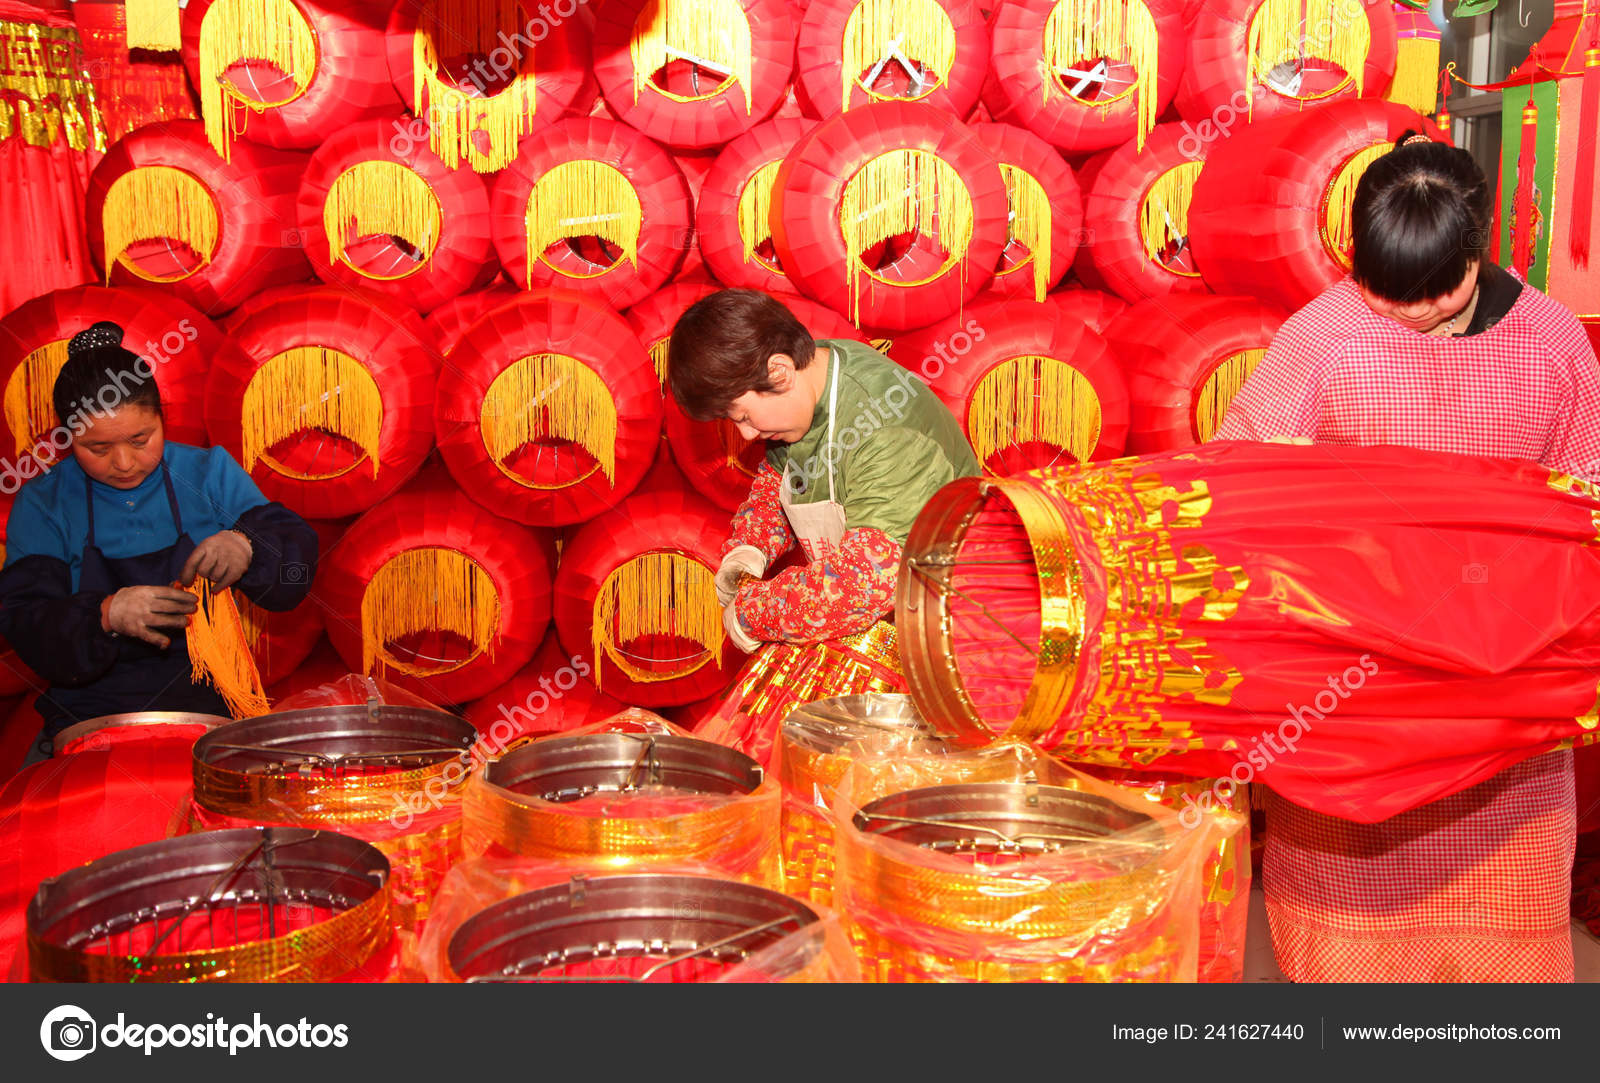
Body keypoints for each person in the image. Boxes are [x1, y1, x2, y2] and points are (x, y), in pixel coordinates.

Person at [1215, 132, 1600, 982]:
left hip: (1504, 680)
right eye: (1387, 293)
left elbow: (1589, 502)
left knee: (1506, 914)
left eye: (1437, 291)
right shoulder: (1322, 334)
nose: (1411, 312)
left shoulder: (1550, 339)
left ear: (1476, 252)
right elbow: (1239, 473)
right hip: (1359, 682)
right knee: (1351, 922)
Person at [667, 289, 980, 766]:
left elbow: (859, 586)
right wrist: (748, 549)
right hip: (867, 624)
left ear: (778, 371)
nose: (746, 434)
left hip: (939, 650)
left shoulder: (885, 427)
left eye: (744, 416)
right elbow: (780, 479)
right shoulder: (811, 383)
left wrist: (753, 612)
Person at [0, 322, 319, 754]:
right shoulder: (45, 502)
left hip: (213, 703)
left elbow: (296, 563)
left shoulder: (207, 473)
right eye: (97, 449)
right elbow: (25, 622)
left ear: (161, 419)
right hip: (91, 713)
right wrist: (106, 614)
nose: (124, 463)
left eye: (140, 439)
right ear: (66, 438)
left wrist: (247, 545)